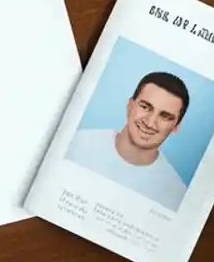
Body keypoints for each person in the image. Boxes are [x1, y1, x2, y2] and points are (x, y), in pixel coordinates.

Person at [66, 71, 190, 210]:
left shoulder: (177, 196)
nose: (150, 123)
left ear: (176, 127)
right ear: (130, 106)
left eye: (165, 116)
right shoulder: (75, 143)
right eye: (145, 107)